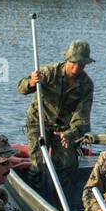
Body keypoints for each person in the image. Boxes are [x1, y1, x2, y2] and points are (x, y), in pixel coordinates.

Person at [17, 40, 94, 193]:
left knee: (68, 165)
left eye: (81, 64)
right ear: (67, 60)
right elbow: (21, 88)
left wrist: (70, 134)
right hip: (39, 122)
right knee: (36, 164)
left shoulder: (86, 84)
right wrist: (32, 82)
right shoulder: (48, 72)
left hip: (63, 128)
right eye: (74, 62)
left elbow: (82, 116)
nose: (77, 67)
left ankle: (59, 198)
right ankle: (35, 194)